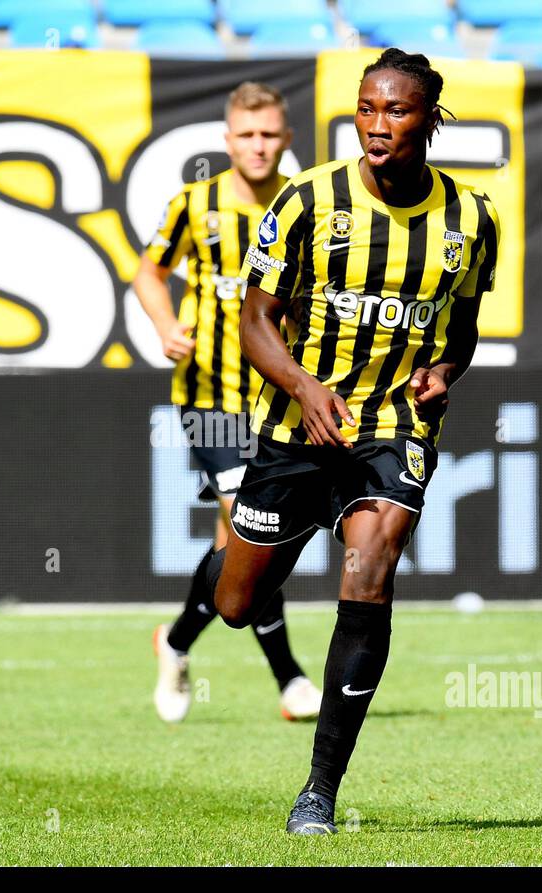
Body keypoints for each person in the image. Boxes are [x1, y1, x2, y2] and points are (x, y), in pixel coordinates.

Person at [208, 48, 501, 834]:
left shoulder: (471, 218)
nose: (377, 125)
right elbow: (254, 321)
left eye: (396, 111)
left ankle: (319, 793)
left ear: (430, 118)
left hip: (392, 425)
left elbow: (463, 332)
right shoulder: (308, 201)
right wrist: (303, 387)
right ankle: (273, 536)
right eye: (367, 109)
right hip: (298, 424)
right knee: (235, 604)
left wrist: (446, 370)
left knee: (373, 562)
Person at [134, 82, 323, 725]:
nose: (259, 146)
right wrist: (164, 326)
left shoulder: (309, 205)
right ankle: (292, 679)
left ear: (287, 139)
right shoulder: (197, 204)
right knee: (254, 524)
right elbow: (147, 271)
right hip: (213, 398)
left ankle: (177, 640)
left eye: (269, 134)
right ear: (227, 140)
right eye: (246, 135)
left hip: (278, 400)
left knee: (238, 549)